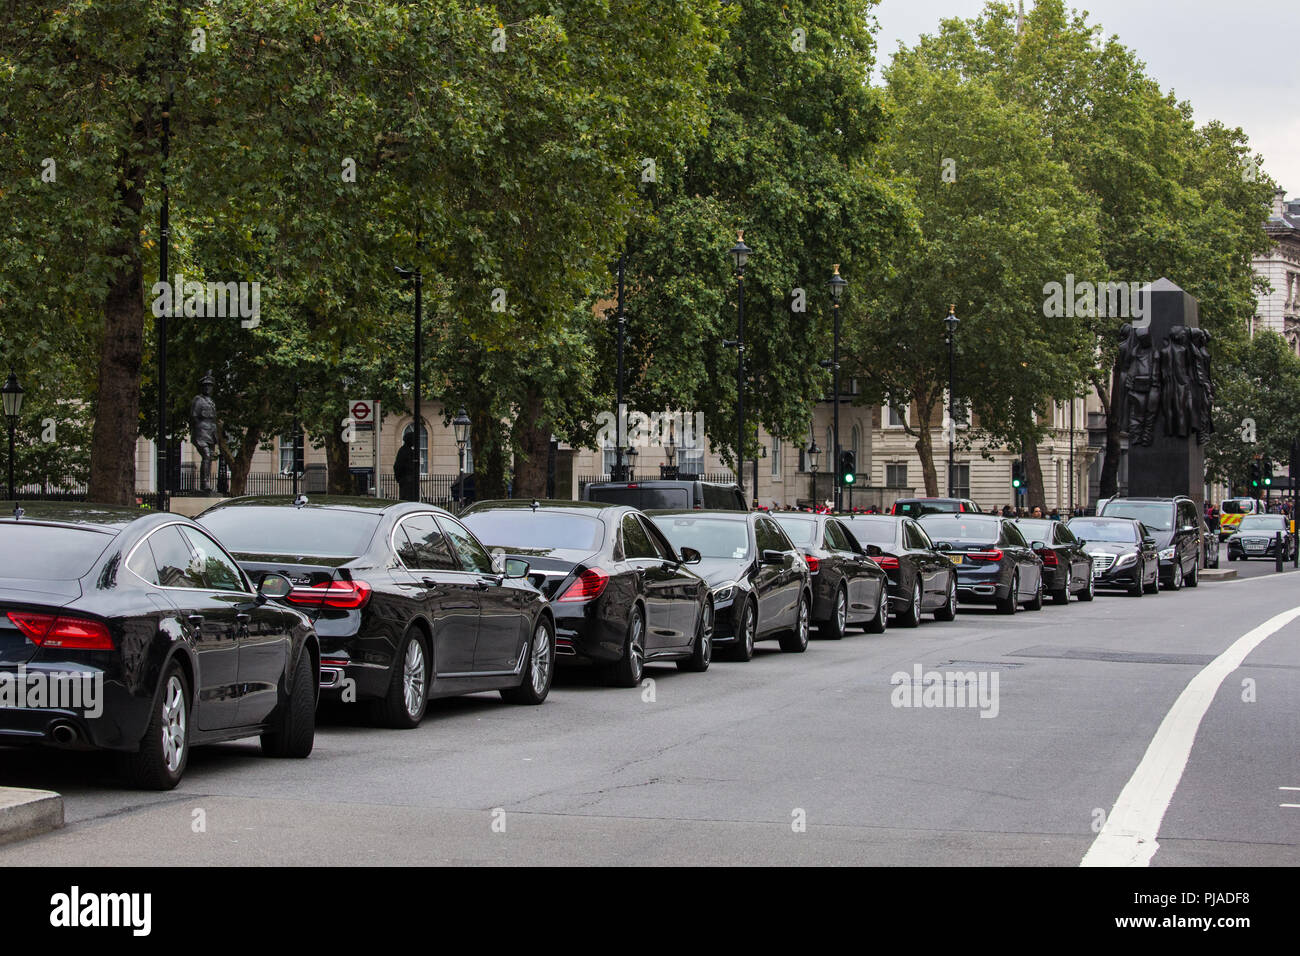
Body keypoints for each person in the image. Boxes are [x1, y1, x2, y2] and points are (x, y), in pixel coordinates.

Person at [394, 430, 420, 502]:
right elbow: (397, 466)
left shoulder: (409, 451)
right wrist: (400, 478)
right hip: (407, 480)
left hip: (410, 480)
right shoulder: (404, 451)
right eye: (413, 440)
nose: (414, 442)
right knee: (407, 500)